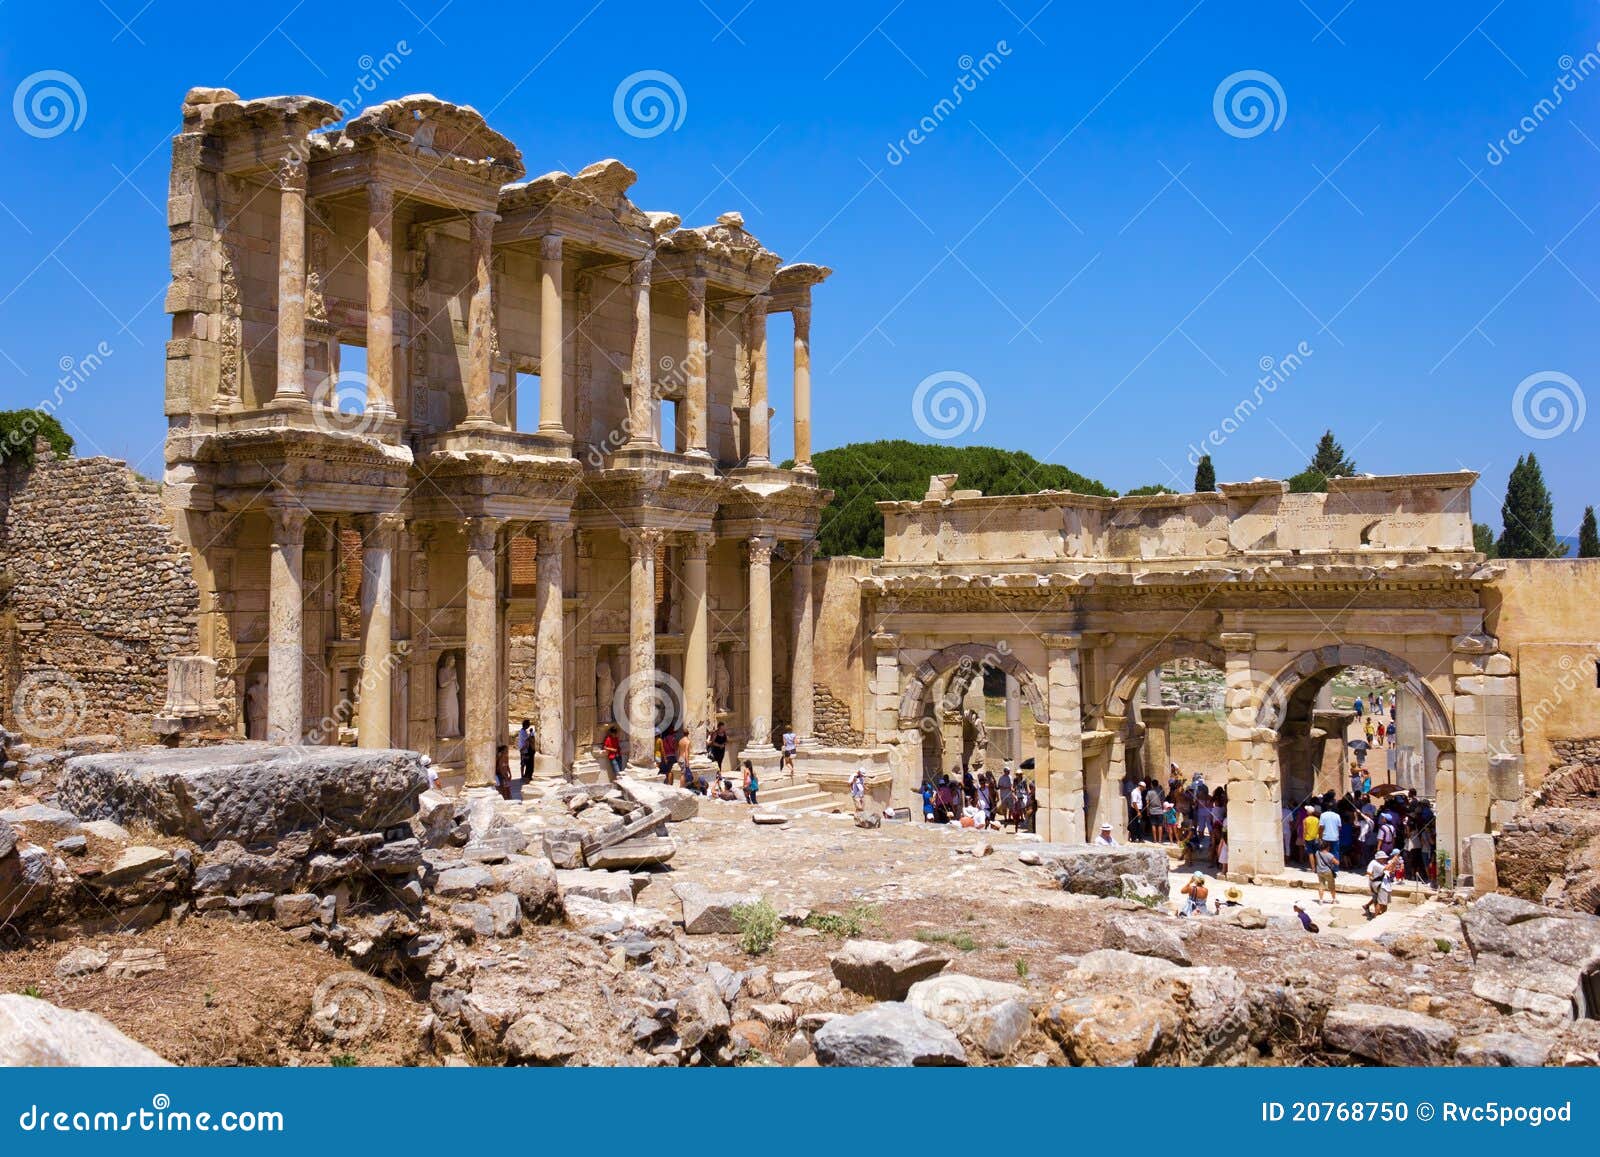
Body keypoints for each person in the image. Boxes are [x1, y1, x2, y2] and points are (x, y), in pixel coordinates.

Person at [1363, 850, 1393, 919]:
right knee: (1381, 903)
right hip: (1380, 884)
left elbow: (1389, 871)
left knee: (1378, 901)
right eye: (1383, 858)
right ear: (1379, 858)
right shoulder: (1375, 864)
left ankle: (1381, 916)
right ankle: (1375, 917)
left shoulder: (1380, 863)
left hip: (1378, 884)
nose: (1385, 859)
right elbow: (1369, 872)